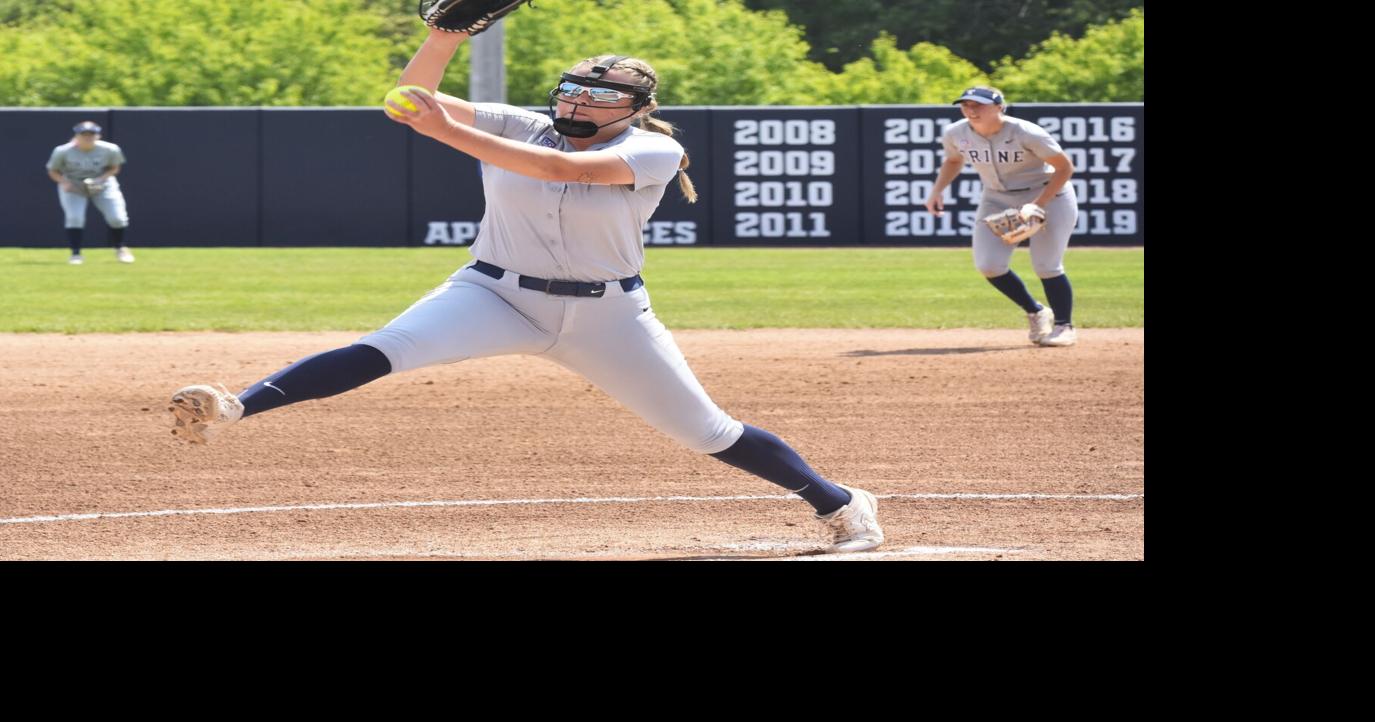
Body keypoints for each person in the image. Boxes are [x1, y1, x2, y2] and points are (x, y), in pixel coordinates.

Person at [166, 26, 883, 554]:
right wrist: (442, 35)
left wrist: (445, 132)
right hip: (492, 294)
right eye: (573, 87)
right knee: (383, 349)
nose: (580, 98)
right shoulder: (526, 124)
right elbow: (407, 102)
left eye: (601, 93)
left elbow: (561, 174)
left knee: (704, 432)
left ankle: (843, 505)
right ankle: (237, 406)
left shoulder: (651, 148)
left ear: (634, 106)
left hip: (608, 315)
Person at [926, 87, 1078, 346]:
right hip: (996, 198)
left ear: (1000, 107)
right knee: (989, 265)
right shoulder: (956, 133)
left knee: (1046, 266)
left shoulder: (1026, 132)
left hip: (1049, 195)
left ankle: (1065, 326)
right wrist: (937, 191)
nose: (971, 110)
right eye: (966, 105)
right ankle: (1036, 312)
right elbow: (953, 161)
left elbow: (1064, 167)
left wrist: (1038, 204)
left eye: (979, 105)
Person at [46, 121, 135, 265]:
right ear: (77, 136)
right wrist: (64, 182)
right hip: (74, 185)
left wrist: (100, 180)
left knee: (117, 218)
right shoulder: (63, 151)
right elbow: (53, 170)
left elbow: (114, 168)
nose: (88, 137)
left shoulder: (110, 149)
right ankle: (76, 254)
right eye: (84, 134)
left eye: (91, 134)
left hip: (103, 184)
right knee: (75, 218)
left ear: (98, 135)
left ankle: (120, 248)